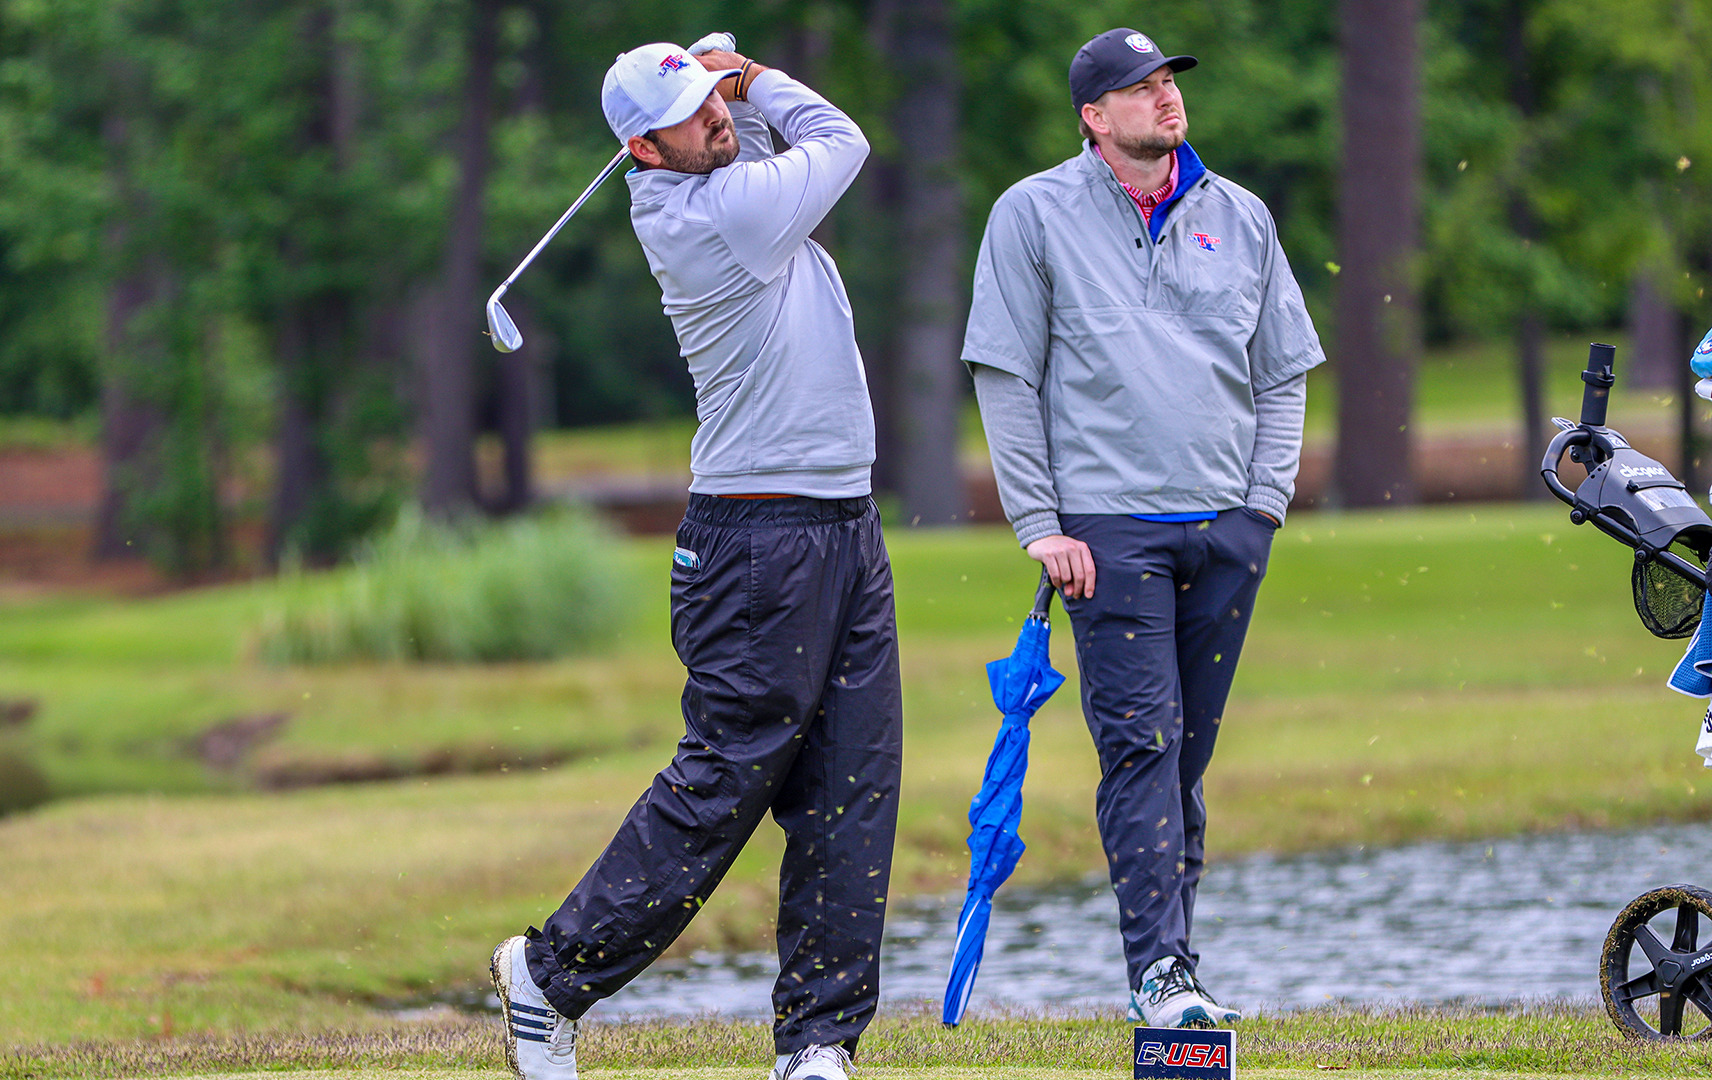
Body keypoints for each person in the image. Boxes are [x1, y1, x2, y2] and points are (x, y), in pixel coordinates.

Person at [488, 36, 900, 1080]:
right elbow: (839, 138)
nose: (720, 116)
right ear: (643, 149)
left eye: (718, 99)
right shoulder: (715, 218)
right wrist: (755, 74)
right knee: (725, 780)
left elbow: (756, 140)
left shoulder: (721, 180)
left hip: (841, 523)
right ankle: (548, 976)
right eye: (696, 111)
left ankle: (817, 1043)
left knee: (852, 785)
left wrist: (723, 84)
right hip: (760, 542)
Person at [962, 27, 1325, 1029]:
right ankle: (1161, 973)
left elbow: (1282, 369)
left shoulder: (1239, 214)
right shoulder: (1031, 215)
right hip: (1104, 535)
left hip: (1225, 531)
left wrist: (1263, 508)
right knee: (1142, 747)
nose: (1165, 98)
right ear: (1094, 115)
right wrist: (1040, 524)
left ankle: (1179, 972)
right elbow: (1006, 376)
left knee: (1183, 761)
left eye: (1167, 81)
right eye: (1140, 87)